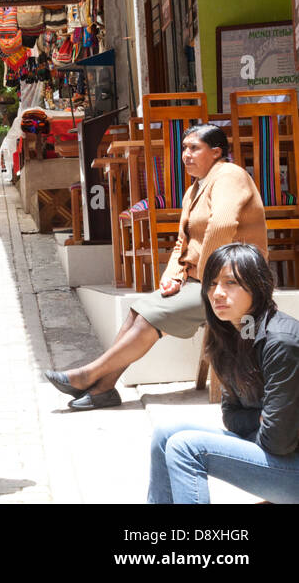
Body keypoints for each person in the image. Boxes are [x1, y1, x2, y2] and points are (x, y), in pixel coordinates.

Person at [45, 124, 267, 409]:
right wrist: (172, 277)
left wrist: (207, 279)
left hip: (235, 281)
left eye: (194, 148)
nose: (186, 155)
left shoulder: (229, 175)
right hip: (202, 280)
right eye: (184, 148)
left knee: (150, 317)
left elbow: (222, 226)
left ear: (216, 152)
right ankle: (103, 388)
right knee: (140, 309)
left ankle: (90, 375)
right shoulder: (194, 190)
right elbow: (181, 243)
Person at [149, 242, 299, 503]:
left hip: (291, 467)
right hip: (273, 452)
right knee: (166, 433)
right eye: (212, 283)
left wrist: (264, 424)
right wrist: (261, 419)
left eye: (230, 283)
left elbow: (278, 442)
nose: (217, 293)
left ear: (257, 286)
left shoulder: (281, 343)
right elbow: (231, 416)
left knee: (186, 448)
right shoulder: (232, 335)